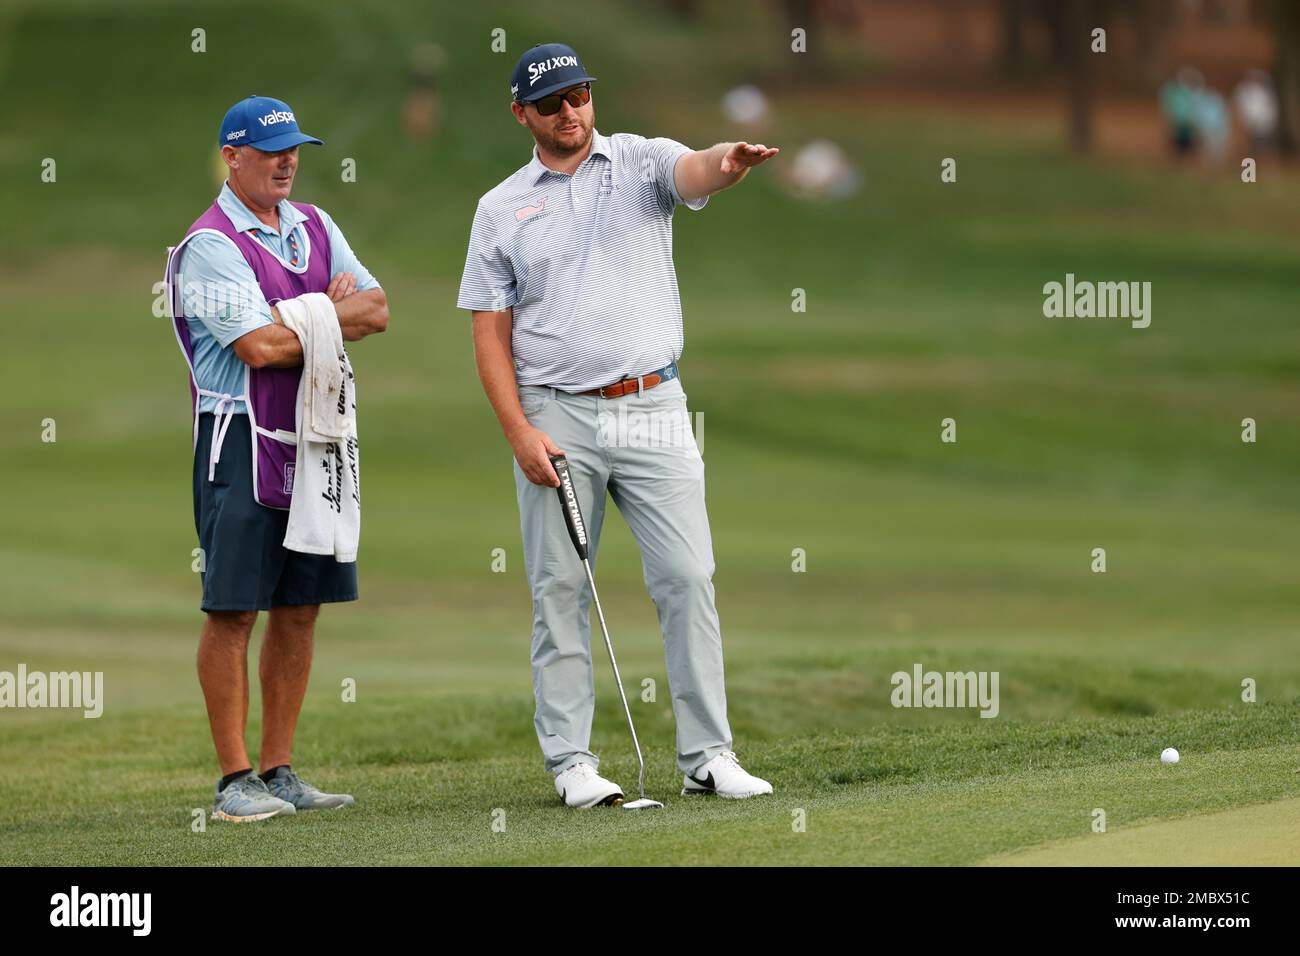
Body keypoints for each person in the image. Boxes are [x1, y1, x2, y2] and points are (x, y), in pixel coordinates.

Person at [457, 43, 778, 808]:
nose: (570, 112)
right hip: (556, 414)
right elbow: (488, 335)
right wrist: (518, 432)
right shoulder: (500, 208)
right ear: (521, 115)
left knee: (688, 576)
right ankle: (572, 762)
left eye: (579, 96)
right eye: (552, 104)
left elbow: (694, 169)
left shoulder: (638, 160)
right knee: (559, 588)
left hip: (655, 406)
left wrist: (727, 163)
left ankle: (708, 755)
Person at [165, 95, 389, 822]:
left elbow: (378, 310)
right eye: (270, 150)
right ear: (232, 157)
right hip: (238, 440)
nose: (287, 160)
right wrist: (327, 310)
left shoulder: (316, 225)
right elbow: (255, 350)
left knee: (299, 606)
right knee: (233, 608)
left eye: (294, 147)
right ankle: (235, 781)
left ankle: (280, 768)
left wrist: (295, 313)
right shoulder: (209, 245)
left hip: (316, 435)